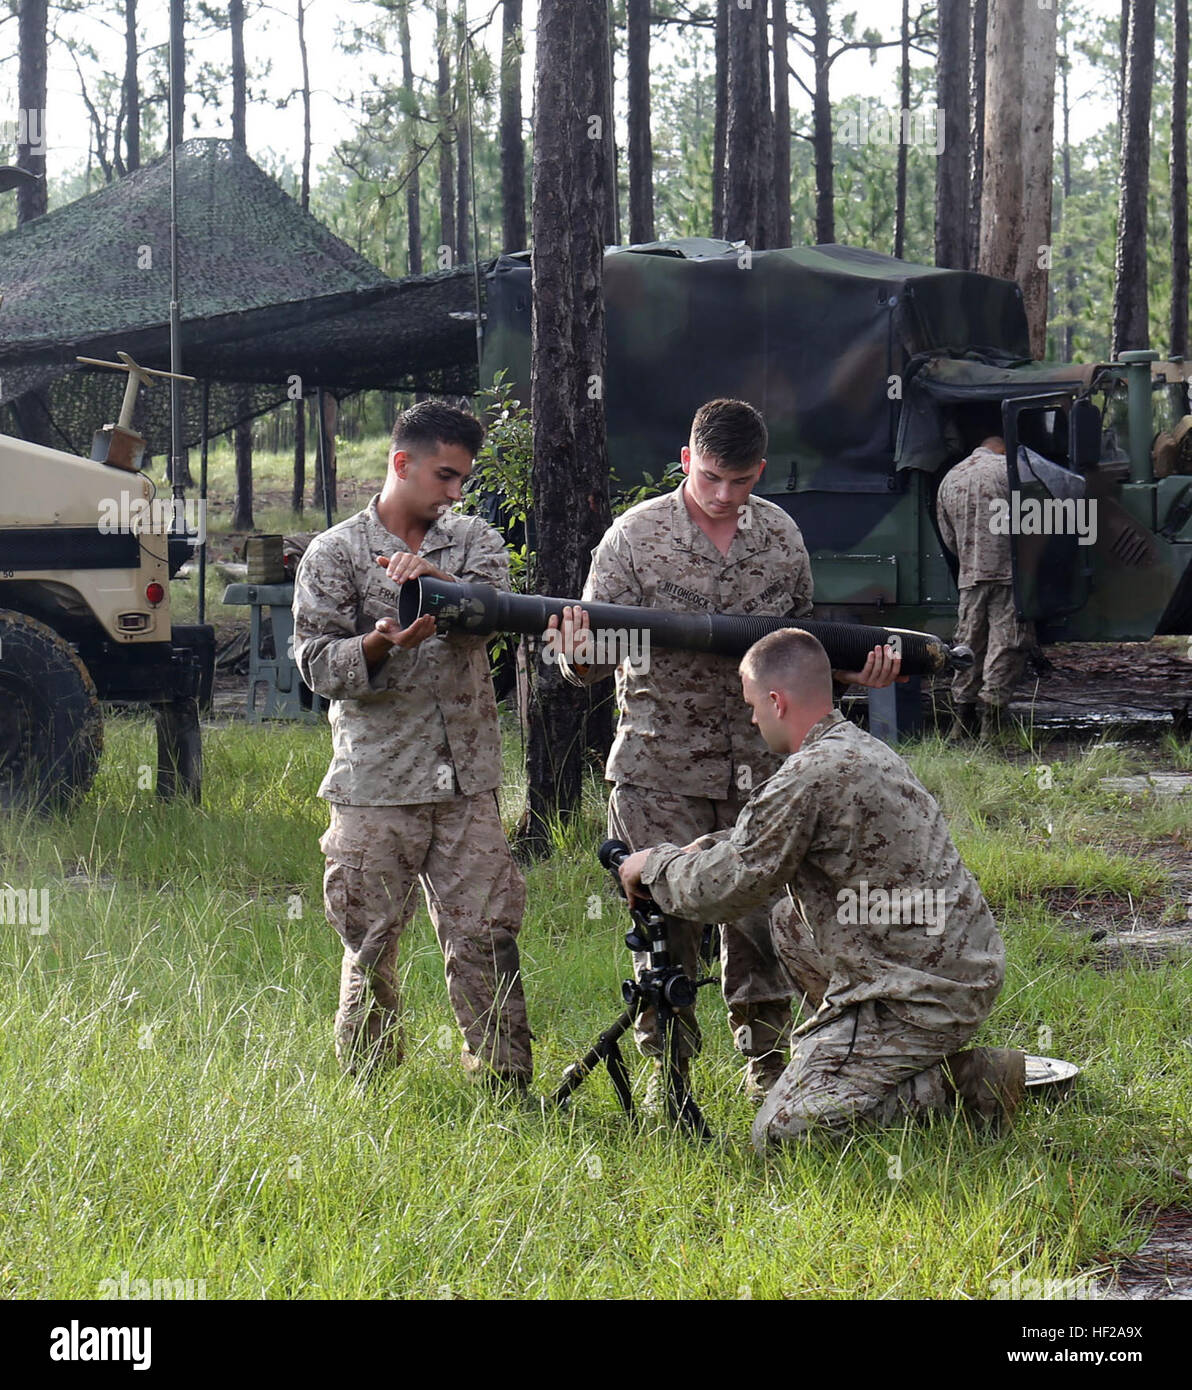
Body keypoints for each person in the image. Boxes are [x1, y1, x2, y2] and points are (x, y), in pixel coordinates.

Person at [550, 398, 900, 1104]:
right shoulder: (632, 538)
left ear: (759, 473)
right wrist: (576, 656)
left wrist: (851, 671)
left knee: (763, 930)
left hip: (760, 771)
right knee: (663, 932)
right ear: (687, 460)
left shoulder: (780, 538)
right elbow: (583, 663)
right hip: (658, 770)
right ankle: (667, 1082)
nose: (723, 496)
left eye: (739, 482)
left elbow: (797, 656)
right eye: (710, 477)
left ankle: (768, 1076)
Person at [616, 627, 1023, 1150]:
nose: (751, 719)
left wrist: (651, 867)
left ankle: (966, 1085)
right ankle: (854, 1053)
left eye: (752, 706)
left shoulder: (808, 776)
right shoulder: (851, 747)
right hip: (947, 962)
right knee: (787, 917)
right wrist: (704, 848)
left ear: (776, 701)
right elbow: (761, 846)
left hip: (917, 992)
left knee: (783, 1133)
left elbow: (728, 887)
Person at [292, 400, 533, 1093]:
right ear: (402, 464)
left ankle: (505, 1084)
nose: (455, 493)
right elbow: (312, 663)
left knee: (488, 937)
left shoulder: (474, 541)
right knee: (369, 945)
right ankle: (369, 1088)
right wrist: (379, 644)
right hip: (376, 786)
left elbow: (497, 610)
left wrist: (440, 588)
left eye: (463, 479)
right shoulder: (335, 553)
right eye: (445, 476)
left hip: (466, 786)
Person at [936, 425, 1035, 742]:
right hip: (1008, 576)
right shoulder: (1009, 472)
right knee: (1006, 646)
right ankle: (990, 726)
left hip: (970, 577)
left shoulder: (950, 479)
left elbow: (948, 538)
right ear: (1002, 450)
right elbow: (1030, 525)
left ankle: (960, 723)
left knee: (967, 648)